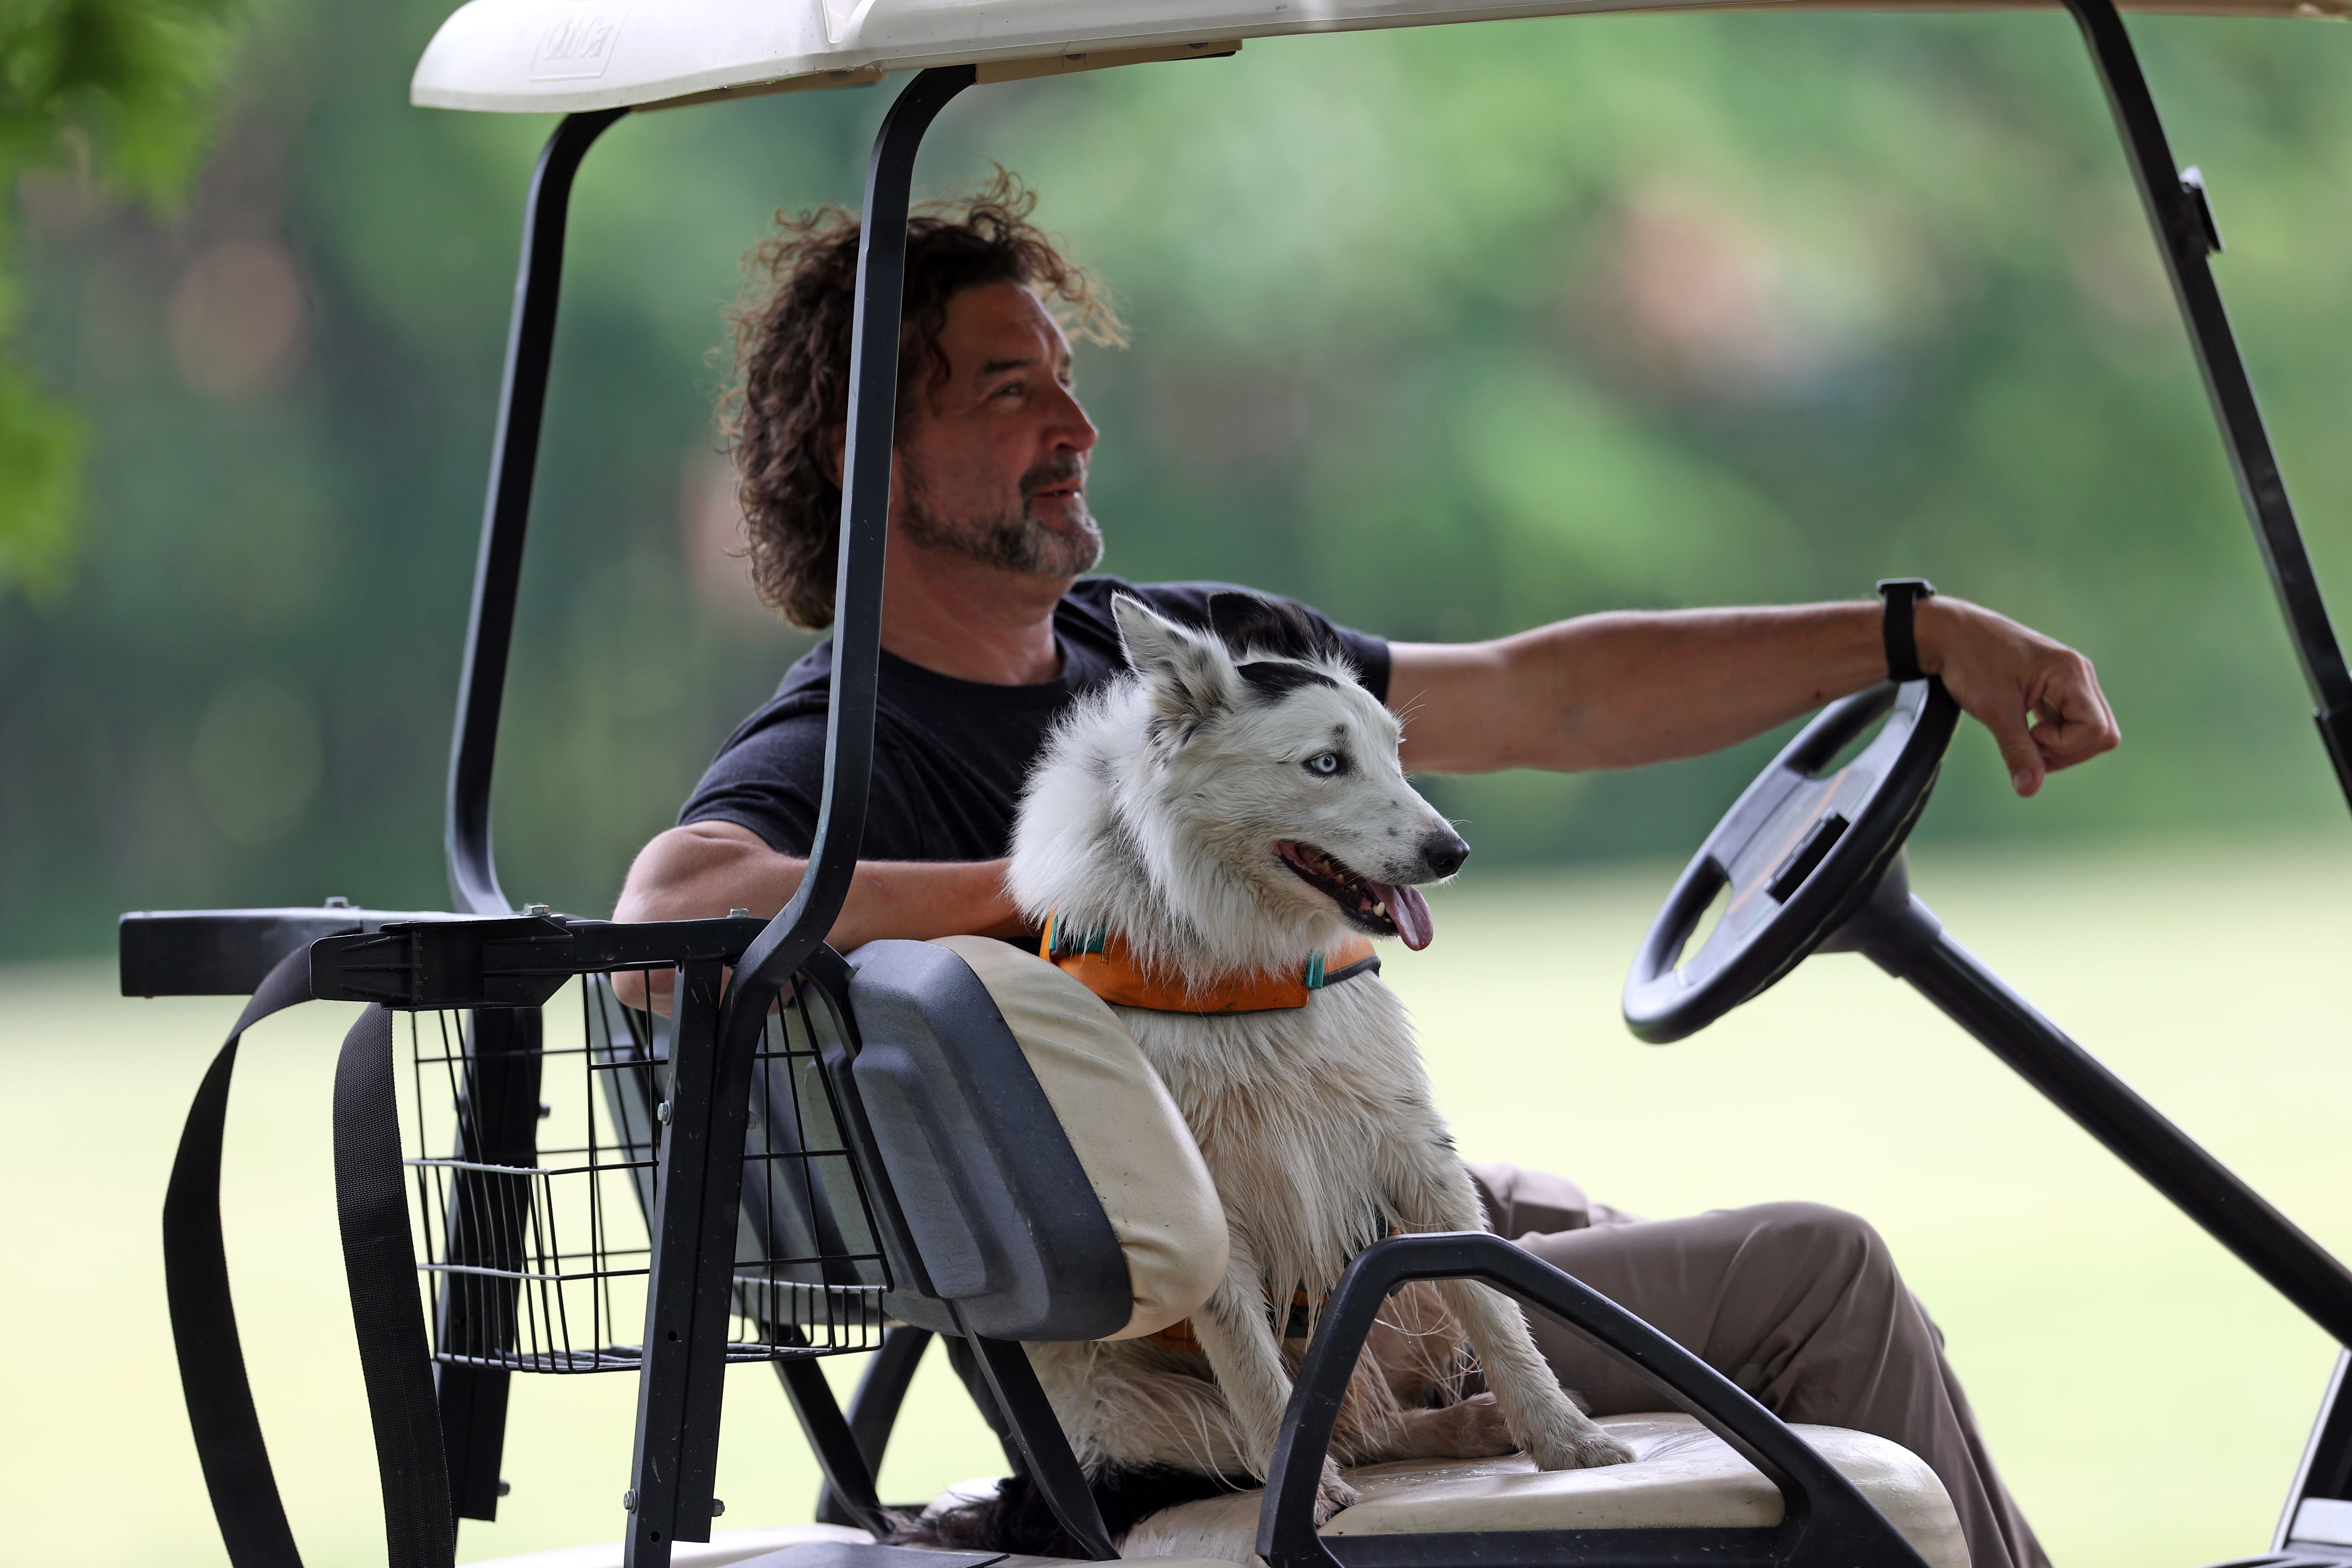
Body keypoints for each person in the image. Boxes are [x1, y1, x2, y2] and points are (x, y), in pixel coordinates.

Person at [618, 177, 2117, 1568]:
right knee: (1819, 1280)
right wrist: (1087, 886)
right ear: (859, 451)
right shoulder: (845, 744)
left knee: (1565, 1212)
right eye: (1013, 392)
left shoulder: (1179, 654)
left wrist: (1911, 639)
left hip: (1351, 1224)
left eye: (1069, 379)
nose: (1075, 424)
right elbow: (669, 917)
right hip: (1262, 1347)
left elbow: (1550, 698)